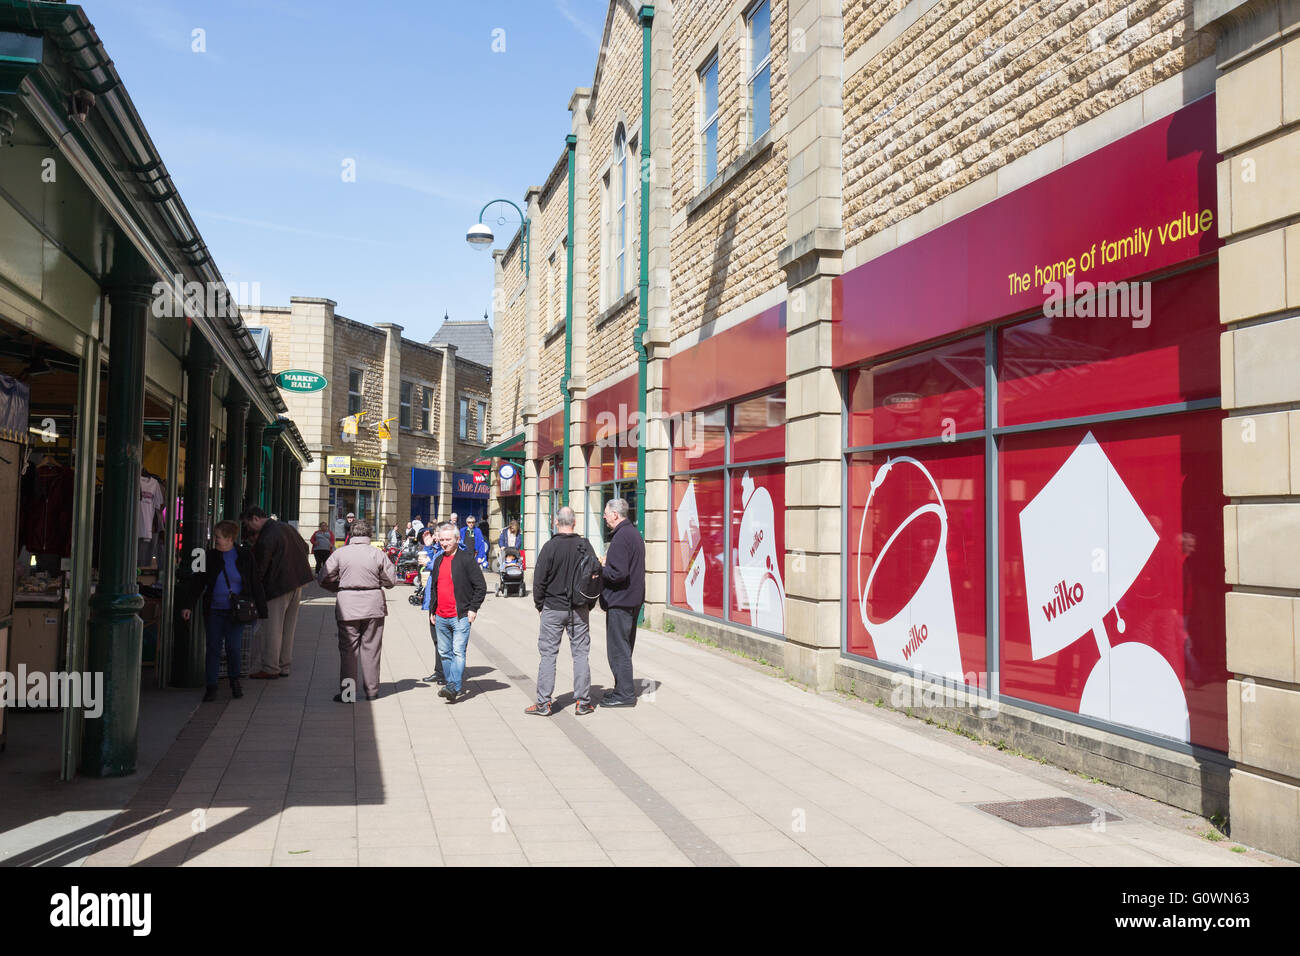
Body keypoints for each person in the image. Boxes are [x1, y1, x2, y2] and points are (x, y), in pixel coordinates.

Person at [181, 520, 267, 702]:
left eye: (218, 537)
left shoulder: (244, 555)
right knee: (213, 648)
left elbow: (254, 582)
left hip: (235, 612)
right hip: (214, 611)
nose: (215, 540)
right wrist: (188, 605)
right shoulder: (207, 556)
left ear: (229, 538)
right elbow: (197, 582)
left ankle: (234, 681)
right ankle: (211, 686)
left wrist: (261, 609)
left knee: (233, 648)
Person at [318, 521, 400, 701]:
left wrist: (339, 588)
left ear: (350, 534)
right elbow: (391, 581)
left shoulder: (340, 553)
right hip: (373, 605)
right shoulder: (377, 554)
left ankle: (348, 694)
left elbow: (323, 577)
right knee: (372, 649)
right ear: (369, 534)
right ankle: (372, 692)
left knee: (348, 651)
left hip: (347, 605)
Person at [525, 507, 594, 716]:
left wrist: (540, 605)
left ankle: (543, 703)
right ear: (574, 522)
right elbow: (594, 577)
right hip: (579, 609)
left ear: (556, 522)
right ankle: (583, 702)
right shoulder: (585, 545)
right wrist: (588, 605)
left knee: (548, 655)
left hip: (553, 608)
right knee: (581, 655)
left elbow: (539, 581)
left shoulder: (550, 547)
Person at [244, 506, 314, 680]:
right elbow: (305, 547)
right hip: (296, 582)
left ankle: (270, 667)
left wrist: (252, 589)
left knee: (272, 628)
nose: (249, 530)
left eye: (248, 525)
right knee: (288, 627)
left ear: (255, 518)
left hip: (277, 586)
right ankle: (284, 665)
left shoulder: (267, 535)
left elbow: (260, 567)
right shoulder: (286, 527)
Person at [425, 521, 485, 703]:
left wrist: (473, 609)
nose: (444, 543)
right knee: (444, 652)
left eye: (448, 540)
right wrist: (432, 610)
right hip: (441, 615)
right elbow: (434, 587)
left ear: (457, 539)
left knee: (458, 651)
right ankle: (452, 685)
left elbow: (480, 586)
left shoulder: (466, 559)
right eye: (441, 540)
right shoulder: (439, 560)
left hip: (460, 616)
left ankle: (454, 686)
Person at [598, 498, 645, 707]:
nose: (605, 517)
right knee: (623, 647)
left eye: (607, 514)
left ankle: (625, 694)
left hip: (621, 601)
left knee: (619, 650)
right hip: (631, 600)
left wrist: (601, 569)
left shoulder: (621, 536)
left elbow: (618, 574)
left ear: (616, 514)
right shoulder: (632, 534)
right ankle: (621, 689)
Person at [415, 527, 445, 684]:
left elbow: (441, 568)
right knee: (436, 639)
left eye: (440, 535)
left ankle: (446, 674)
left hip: (443, 601)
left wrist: (429, 563)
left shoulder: (452, 550)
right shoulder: (436, 548)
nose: (437, 538)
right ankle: (439, 672)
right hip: (433, 599)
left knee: (444, 639)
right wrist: (427, 546)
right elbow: (430, 563)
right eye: (436, 535)